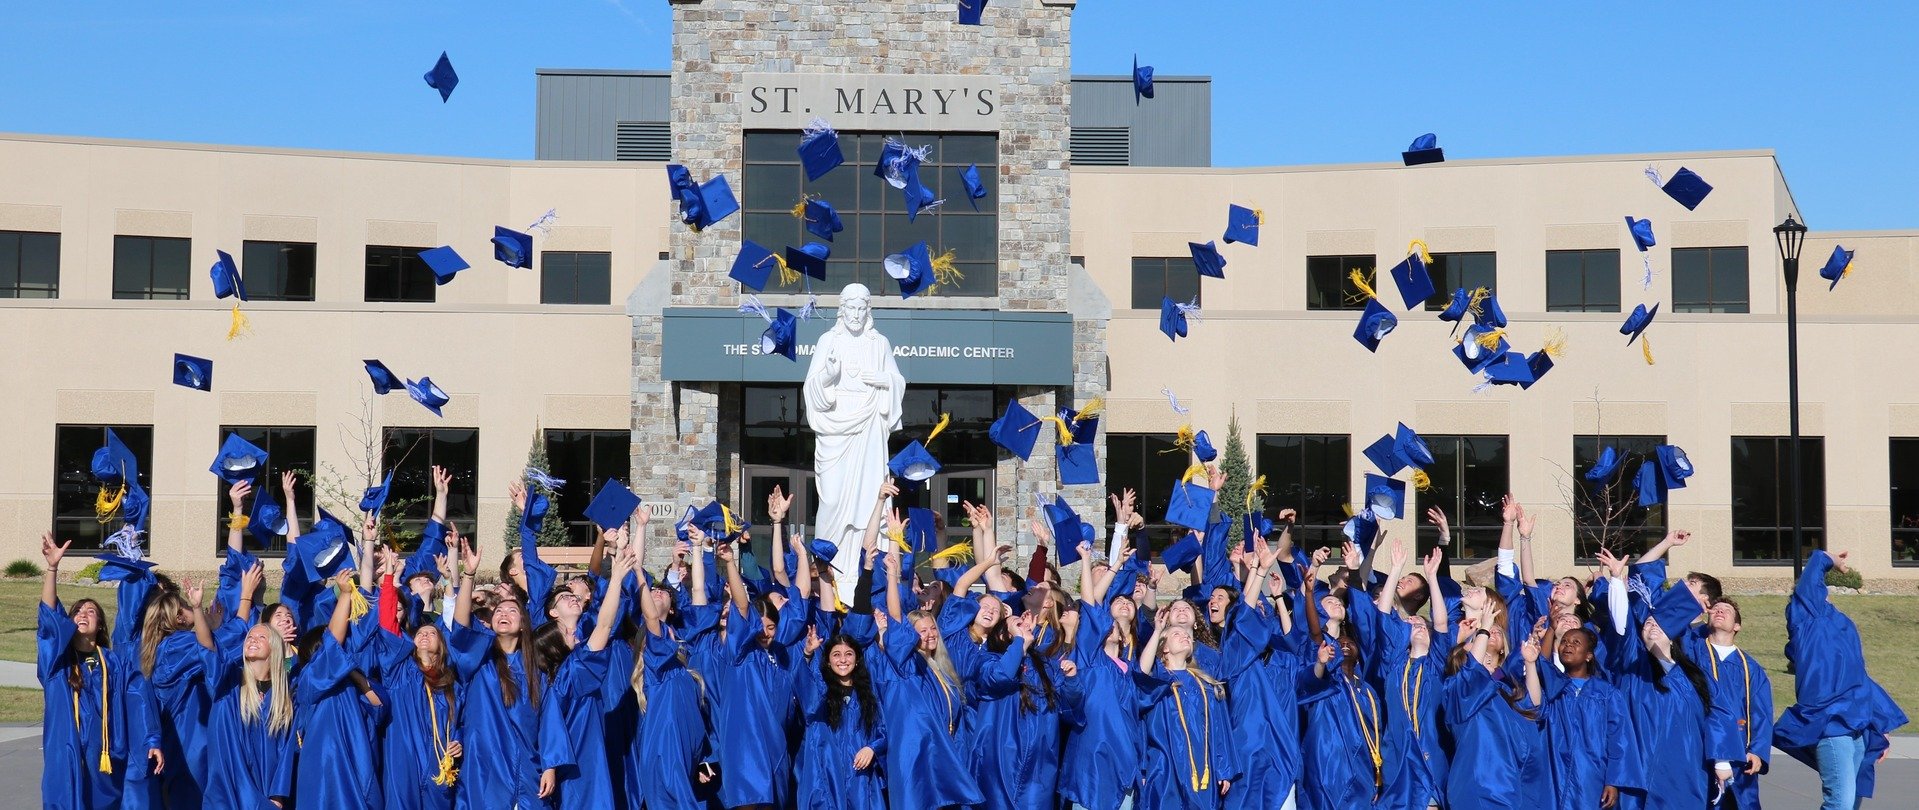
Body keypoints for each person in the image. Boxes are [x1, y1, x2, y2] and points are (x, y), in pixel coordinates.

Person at [1772, 550, 1909, 810]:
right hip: (1831, 723)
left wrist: (1882, 725)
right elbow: (1814, 567)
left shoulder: (1839, 627)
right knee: (1840, 803)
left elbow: (1859, 678)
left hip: (1856, 724)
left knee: (1852, 800)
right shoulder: (1808, 620)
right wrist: (1832, 560)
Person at [37, 533, 164, 810]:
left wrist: (151, 740)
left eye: (91, 611)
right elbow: (48, 622)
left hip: (105, 763)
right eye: (77, 611)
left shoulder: (115, 664)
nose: (83, 613)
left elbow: (139, 700)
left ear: (101, 626)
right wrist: (52, 568)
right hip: (66, 758)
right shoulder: (57, 664)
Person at [448, 528, 569, 809]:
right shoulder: (479, 661)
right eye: (499, 611)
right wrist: (468, 576)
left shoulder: (535, 671)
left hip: (527, 766)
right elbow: (461, 627)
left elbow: (550, 721)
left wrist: (550, 766)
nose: (504, 613)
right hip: (486, 766)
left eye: (513, 611)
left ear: (524, 623)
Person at [876, 497, 984, 810]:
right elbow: (897, 617)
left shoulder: (943, 669)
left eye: (932, 628)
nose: (930, 634)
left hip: (942, 748)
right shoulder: (905, 664)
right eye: (922, 631)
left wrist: (988, 562)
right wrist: (895, 554)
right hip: (913, 751)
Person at [1136, 602, 1240, 809]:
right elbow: (1141, 672)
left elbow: (1219, 729)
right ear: (1164, 648)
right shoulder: (1159, 680)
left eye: (1187, 637)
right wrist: (1157, 630)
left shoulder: (1206, 685)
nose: (1185, 636)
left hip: (1203, 771)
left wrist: (1224, 768)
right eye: (1176, 635)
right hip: (1165, 766)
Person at [796, 630, 888, 810]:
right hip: (826, 773)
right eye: (836, 655)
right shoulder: (822, 693)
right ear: (828, 662)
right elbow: (808, 700)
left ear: (857, 659)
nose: (843, 660)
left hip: (861, 778)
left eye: (849, 654)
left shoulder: (868, 695)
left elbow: (883, 731)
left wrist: (872, 748)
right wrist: (808, 654)